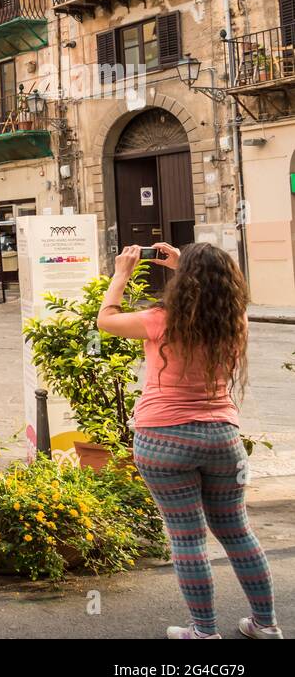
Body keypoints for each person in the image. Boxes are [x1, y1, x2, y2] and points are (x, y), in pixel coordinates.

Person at [98, 243, 280, 640]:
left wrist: (121, 274)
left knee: (186, 536)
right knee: (237, 531)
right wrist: (190, 266)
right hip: (222, 438)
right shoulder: (235, 320)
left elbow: (106, 320)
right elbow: (212, 292)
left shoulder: (160, 319)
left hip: (163, 438)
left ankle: (204, 631)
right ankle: (265, 625)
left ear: (184, 282)